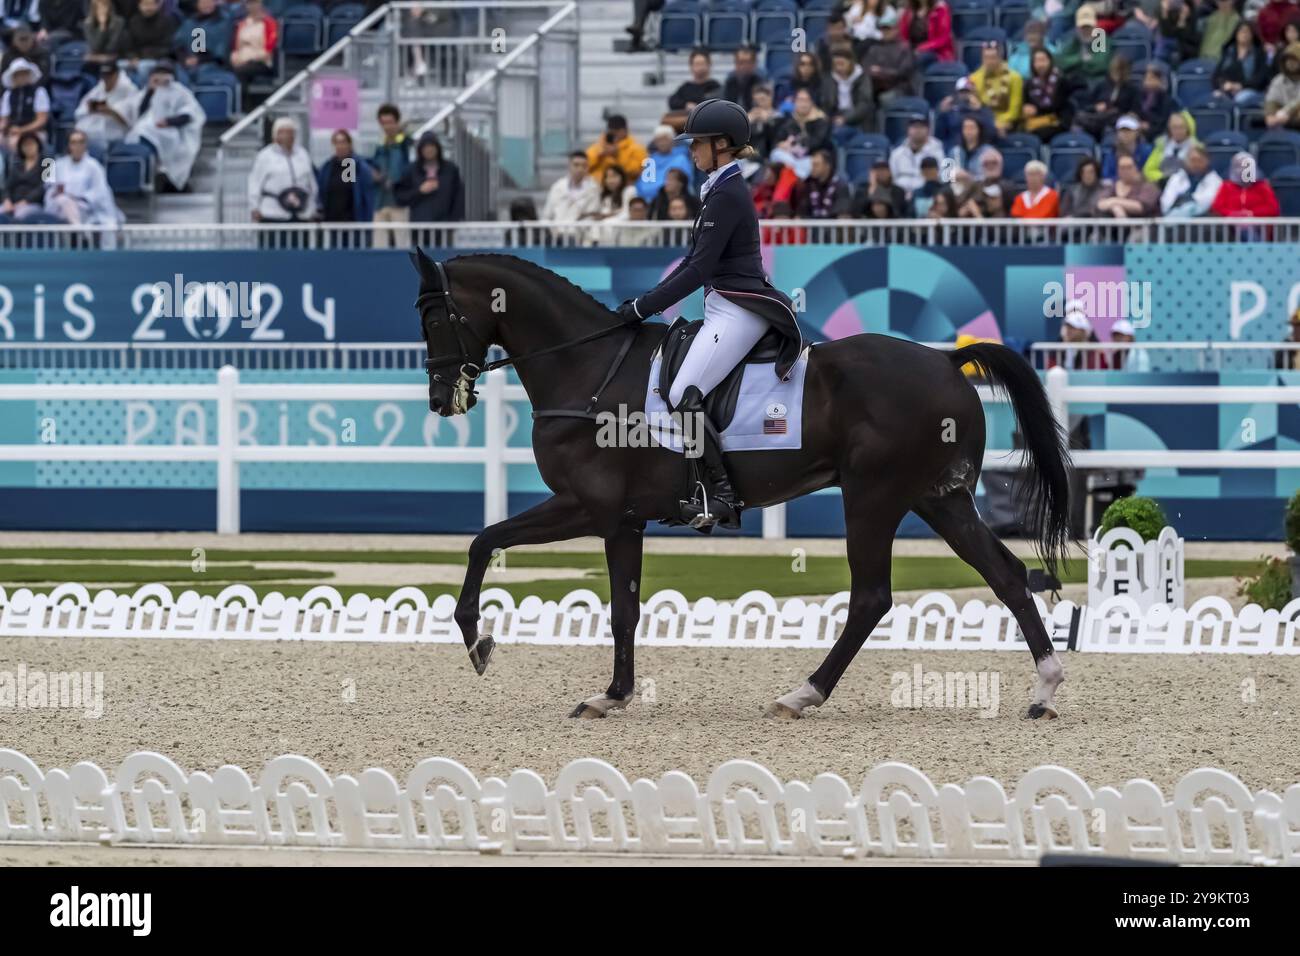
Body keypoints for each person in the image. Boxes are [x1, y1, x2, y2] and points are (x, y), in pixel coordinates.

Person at [613, 99, 802, 530]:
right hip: (723, 304)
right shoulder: (718, 188)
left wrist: (643, 307)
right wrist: (646, 302)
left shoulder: (728, 193)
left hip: (739, 307)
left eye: (697, 143)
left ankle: (721, 493)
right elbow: (694, 263)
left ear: (721, 145)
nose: (691, 150)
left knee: (684, 393)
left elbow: (698, 269)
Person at [124, 62, 204, 191]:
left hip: (171, 131)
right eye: (158, 73)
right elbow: (139, 113)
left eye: (164, 73)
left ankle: (171, 181)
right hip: (146, 130)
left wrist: (168, 121)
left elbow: (190, 114)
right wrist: (150, 91)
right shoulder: (148, 91)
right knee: (137, 137)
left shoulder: (180, 91)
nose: (161, 77)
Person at [44, 129, 124, 235]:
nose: (77, 146)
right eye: (73, 142)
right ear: (68, 145)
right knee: (63, 200)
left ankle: (79, 231)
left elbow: (100, 191)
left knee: (67, 202)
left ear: (85, 145)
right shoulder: (57, 164)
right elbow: (48, 187)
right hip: (60, 208)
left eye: (81, 142)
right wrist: (58, 194)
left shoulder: (94, 166)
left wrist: (78, 198)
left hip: (86, 207)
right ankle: (79, 230)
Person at [248, 116, 317, 237]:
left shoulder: (303, 154)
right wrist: (254, 207)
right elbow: (255, 182)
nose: (289, 136)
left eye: (292, 133)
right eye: (285, 132)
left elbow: (311, 183)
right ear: (276, 135)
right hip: (272, 214)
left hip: (300, 214)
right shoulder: (265, 156)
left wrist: (312, 208)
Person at [316, 128, 375, 246]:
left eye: (343, 142)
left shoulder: (356, 165)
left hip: (353, 223)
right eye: (337, 143)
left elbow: (365, 194)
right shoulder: (327, 167)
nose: (340, 146)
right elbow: (321, 191)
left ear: (349, 144)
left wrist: (366, 219)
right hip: (331, 223)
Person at [394, 130, 464, 223]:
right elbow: (400, 197)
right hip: (419, 226)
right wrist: (419, 191)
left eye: (432, 146)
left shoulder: (450, 169)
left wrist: (453, 221)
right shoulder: (411, 170)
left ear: (438, 148)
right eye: (425, 147)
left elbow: (458, 197)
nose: (429, 150)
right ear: (420, 150)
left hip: (445, 225)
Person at [369, 103, 412, 248]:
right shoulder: (379, 145)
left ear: (397, 122)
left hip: (399, 200)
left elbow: (403, 169)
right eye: (384, 123)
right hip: (380, 200)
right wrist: (374, 174)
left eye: (390, 122)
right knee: (379, 244)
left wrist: (393, 179)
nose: (387, 127)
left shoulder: (405, 143)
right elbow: (373, 165)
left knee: (402, 243)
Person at [74, 61, 138, 151]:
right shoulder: (100, 86)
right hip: (96, 130)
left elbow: (133, 120)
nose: (106, 78)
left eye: (109, 76)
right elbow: (81, 110)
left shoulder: (129, 89)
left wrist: (111, 111)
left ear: (116, 74)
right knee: (78, 132)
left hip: (118, 133)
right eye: (104, 75)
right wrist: (92, 108)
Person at [863, 6, 916, 108]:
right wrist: (877, 73)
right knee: (863, 99)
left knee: (886, 98)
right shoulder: (874, 48)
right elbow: (866, 68)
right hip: (875, 87)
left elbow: (903, 72)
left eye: (888, 29)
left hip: (899, 88)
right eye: (883, 29)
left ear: (896, 29)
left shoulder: (904, 48)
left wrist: (881, 72)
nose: (885, 32)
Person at [0, 130, 56, 223]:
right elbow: (8, 186)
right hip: (13, 203)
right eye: (25, 145)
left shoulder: (48, 162)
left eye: (31, 144)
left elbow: (46, 187)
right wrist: (7, 200)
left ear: (38, 145)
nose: (28, 147)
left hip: (35, 203)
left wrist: (26, 201)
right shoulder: (16, 163)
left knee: (19, 215)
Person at [970, 40, 1022, 137]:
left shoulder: (1014, 77)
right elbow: (976, 107)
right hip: (985, 122)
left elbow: (1014, 110)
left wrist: (1000, 122)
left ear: (1000, 58)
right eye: (986, 58)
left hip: (1008, 123)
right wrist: (991, 123)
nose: (989, 62)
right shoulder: (974, 78)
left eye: (993, 58)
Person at [1212, 21, 1271, 105]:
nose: (1244, 34)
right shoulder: (1229, 52)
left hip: (1250, 89)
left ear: (1252, 34)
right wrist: (1223, 86)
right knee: (1215, 98)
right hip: (1227, 89)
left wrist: (1239, 86)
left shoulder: (1259, 53)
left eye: (1247, 31)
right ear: (1236, 34)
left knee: (1240, 99)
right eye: (1241, 31)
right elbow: (1216, 75)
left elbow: (1261, 79)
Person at [1210, 151, 1281, 218]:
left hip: (1259, 225)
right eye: (1239, 166)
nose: (1243, 170)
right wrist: (1233, 214)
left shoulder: (1262, 186)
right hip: (1230, 225)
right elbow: (1217, 208)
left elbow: (1273, 208)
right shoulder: (1226, 186)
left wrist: (1252, 213)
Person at [826, 44, 876, 136]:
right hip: (836, 115)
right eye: (836, 64)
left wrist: (845, 118)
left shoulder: (861, 77)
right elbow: (827, 102)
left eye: (841, 64)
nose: (838, 68)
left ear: (850, 63)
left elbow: (864, 104)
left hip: (857, 117)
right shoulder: (830, 79)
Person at [542, 150, 600, 229]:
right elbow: (547, 214)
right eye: (576, 165)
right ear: (569, 166)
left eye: (584, 166)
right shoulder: (557, 187)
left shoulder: (593, 189)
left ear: (587, 168)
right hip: (557, 233)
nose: (580, 169)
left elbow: (591, 215)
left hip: (580, 234)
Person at [1160, 144, 1222, 217]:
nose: (1196, 164)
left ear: (1207, 161)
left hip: (1202, 219)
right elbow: (1166, 202)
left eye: (1199, 160)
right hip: (1173, 218)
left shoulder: (1215, 180)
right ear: (1186, 161)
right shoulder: (1177, 177)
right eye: (1192, 160)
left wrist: (1188, 204)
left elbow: (1207, 202)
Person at [889, 114, 944, 197]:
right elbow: (892, 178)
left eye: (921, 127)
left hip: (926, 195)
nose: (918, 130)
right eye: (914, 127)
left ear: (928, 130)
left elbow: (941, 177)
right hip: (900, 195)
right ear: (908, 130)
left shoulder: (937, 151)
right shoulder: (897, 153)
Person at [1021, 48, 1069, 141]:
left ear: (1050, 61)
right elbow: (1025, 104)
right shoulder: (1028, 84)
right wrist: (1026, 108)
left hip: (1056, 123)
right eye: (1037, 61)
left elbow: (1063, 107)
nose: (1040, 65)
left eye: (1043, 60)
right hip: (1035, 124)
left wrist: (1038, 110)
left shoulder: (1061, 81)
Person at [637, 123, 692, 203]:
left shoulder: (681, 159)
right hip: (649, 199)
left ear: (672, 140)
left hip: (673, 199)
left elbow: (685, 183)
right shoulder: (650, 160)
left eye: (665, 139)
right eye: (659, 140)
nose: (662, 143)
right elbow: (643, 184)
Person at [1056, 4, 1110, 87]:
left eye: (1088, 27)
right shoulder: (1073, 40)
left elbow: (1101, 64)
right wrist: (1080, 59)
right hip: (1076, 84)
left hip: (1098, 83)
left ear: (1095, 26)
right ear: (1077, 28)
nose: (1086, 30)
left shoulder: (1102, 39)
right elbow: (1062, 62)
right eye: (1083, 27)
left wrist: (1077, 65)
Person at [585, 113, 647, 184]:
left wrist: (617, 156)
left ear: (625, 130)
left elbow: (636, 172)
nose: (615, 134)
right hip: (598, 186)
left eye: (617, 130)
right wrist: (599, 156)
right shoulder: (597, 147)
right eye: (612, 131)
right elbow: (584, 166)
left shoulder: (638, 149)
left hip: (624, 187)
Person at [175, 0, 233, 75]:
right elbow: (179, 44)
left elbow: (222, 50)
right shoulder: (189, 22)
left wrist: (200, 59)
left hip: (214, 66)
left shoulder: (224, 22)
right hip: (187, 64)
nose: (206, 5)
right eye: (203, 2)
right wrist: (184, 58)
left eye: (209, 1)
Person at [0, 57, 48, 146]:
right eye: (18, 74)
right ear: (13, 77)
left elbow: (41, 120)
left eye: (24, 73)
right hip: (12, 131)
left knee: (17, 142)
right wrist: (3, 128)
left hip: (34, 132)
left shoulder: (39, 92)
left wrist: (21, 130)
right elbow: (4, 119)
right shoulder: (8, 94)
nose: (21, 77)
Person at [123, 0, 178, 77]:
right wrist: (133, 57)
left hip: (158, 58)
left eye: (151, 4)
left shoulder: (166, 21)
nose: (148, 8)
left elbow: (167, 46)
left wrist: (143, 57)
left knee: (143, 66)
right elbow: (128, 45)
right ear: (139, 6)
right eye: (145, 4)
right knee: (120, 65)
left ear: (157, 5)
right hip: (136, 58)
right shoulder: (133, 21)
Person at [666, 48, 722, 125]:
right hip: (684, 123)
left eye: (702, 64)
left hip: (707, 123)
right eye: (697, 64)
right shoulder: (686, 87)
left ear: (709, 65)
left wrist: (696, 106)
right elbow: (672, 101)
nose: (700, 68)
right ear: (691, 66)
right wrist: (685, 104)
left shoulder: (715, 86)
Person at [229, 0, 277, 87]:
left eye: (255, 2)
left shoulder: (269, 23)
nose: (252, 6)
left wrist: (247, 59)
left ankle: (242, 96)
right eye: (250, 3)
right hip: (241, 60)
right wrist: (235, 57)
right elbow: (236, 47)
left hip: (261, 62)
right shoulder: (242, 24)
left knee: (240, 71)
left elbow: (268, 52)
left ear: (261, 4)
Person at [1097, 153, 1162, 217]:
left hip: (1145, 223)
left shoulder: (1149, 187)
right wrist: (1116, 208)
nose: (1126, 171)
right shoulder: (1112, 187)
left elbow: (1141, 207)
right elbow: (1100, 204)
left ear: (1136, 168)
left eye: (1129, 167)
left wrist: (1114, 201)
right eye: (1122, 168)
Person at [1142, 110, 1197, 185]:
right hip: (1162, 184)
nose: (1178, 131)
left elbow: (1196, 172)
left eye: (1181, 127)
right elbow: (1148, 170)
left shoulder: (1196, 147)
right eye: (1174, 127)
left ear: (1188, 128)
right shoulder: (1161, 145)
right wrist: (1163, 178)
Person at [795, 148, 852, 218]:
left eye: (816, 165)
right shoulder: (807, 184)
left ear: (827, 166)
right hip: (810, 222)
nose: (812, 168)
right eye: (812, 165)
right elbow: (802, 210)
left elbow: (841, 210)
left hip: (832, 223)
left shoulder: (840, 185)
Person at [899, 0, 955, 69]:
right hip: (911, 50)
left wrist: (923, 48)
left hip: (936, 52)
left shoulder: (941, 9)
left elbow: (943, 39)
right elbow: (903, 35)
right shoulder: (909, 11)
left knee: (920, 58)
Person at [1101, 114, 1151, 180]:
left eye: (1129, 131)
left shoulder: (1147, 151)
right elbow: (1107, 176)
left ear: (1136, 132)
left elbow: (1149, 171)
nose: (1125, 134)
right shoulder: (1112, 152)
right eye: (1122, 131)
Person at [1263, 42, 1300, 130]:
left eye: (1294, 60)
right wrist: (1270, 115)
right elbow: (1271, 100)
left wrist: (1287, 112)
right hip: (1281, 121)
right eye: (1288, 60)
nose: (1290, 63)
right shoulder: (1278, 80)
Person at [83, 0, 126, 67]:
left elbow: (112, 47)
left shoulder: (118, 22)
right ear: (93, 9)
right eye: (98, 8)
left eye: (105, 7)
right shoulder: (88, 24)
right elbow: (95, 47)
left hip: (114, 58)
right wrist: (102, 27)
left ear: (110, 8)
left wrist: (99, 57)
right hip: (95, 60)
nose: (102, 10)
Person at [722, 46, 763, 112]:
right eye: (741, 62)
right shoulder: (729, 82)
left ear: (754, 64)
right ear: (735, 63)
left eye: (748, 62)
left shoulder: (760, 83)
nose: (744, 66)